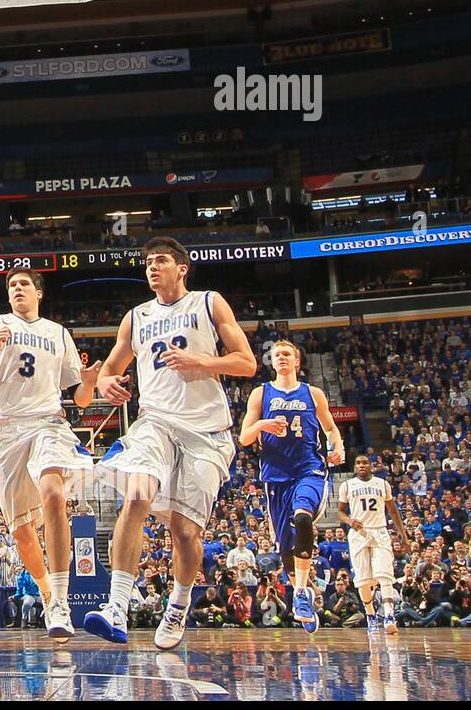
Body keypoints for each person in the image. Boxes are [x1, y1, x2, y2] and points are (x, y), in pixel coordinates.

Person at [86, 236, 257, 649]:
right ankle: (116, 607)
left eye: (160, 260)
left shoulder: (208, 302)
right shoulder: (137, 316)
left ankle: (179, 604)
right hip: (155, 422)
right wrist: (107, 382)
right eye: (147, 262)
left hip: (206, 431)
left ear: (182, 267)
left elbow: (247, 363)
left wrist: (202, 361)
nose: (151, 267)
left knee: (183, 531)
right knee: (137, 495)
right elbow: (112, 366)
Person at [0, 268, 100, 639]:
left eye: (23, 284)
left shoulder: (57, 333)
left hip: (47, 422)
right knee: (22, 534)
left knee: (54, 493)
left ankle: (61, 600)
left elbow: (79, 397)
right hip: (2, 432)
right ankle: (47, 593)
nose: (16, 289)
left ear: (39, 293)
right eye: (11, 285)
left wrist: (90, 383)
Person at [238, 339, 345, 635]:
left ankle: (299, 593)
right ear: (271, 362)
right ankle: (303, 590)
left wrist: (339, 448)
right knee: (285, 547)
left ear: (297, 361)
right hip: (276, 475)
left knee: (302, 517)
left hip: (308, 468)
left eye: (287, 354)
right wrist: (263, 425)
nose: (282, 357)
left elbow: (331, 429)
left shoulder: (313, 393)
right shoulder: (261, 394)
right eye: (276, 355)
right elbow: (245, 437)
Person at [338, 453, 410, 635]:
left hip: (379, 530)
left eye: (364, 463)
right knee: (363, 580)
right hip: (358, 534)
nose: (361, 465)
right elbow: (340, 512)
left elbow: (393, 511)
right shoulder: (347, 485)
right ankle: (370, 615)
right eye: (358, 463)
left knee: (385, 575)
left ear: (371, 465)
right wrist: (349, 521)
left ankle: (389, 616)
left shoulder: (382, 484)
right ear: (354, 467)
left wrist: (403, 536)